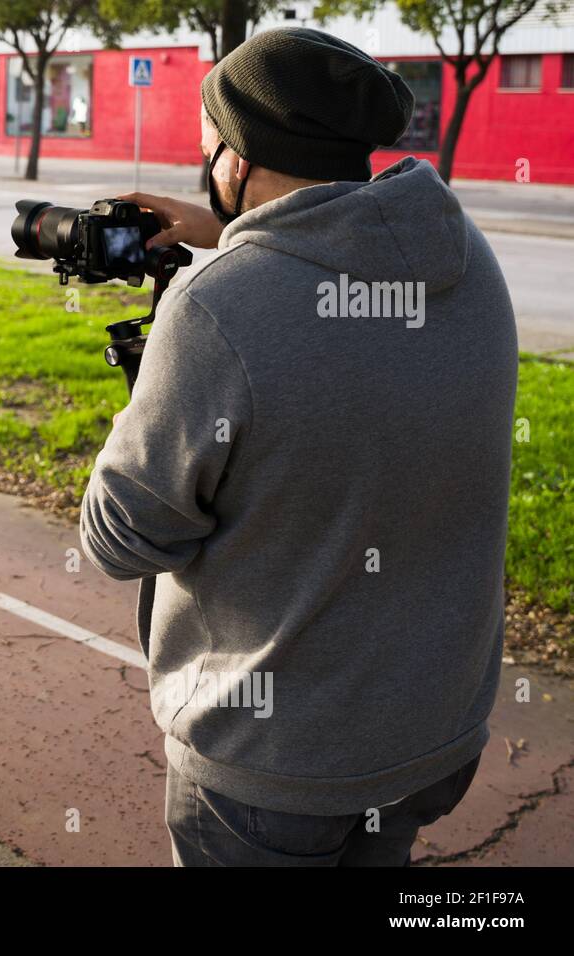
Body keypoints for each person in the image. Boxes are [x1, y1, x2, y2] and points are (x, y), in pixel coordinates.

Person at [79, 27, 516, 865]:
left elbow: (122, 540)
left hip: (276, 766)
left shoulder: (215, 310)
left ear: (237, 160)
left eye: (208, 147)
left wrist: (152, 390)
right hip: (428, 735)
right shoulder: (463, 259)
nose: (205, 163)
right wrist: (231, 237)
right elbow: (336, 314)